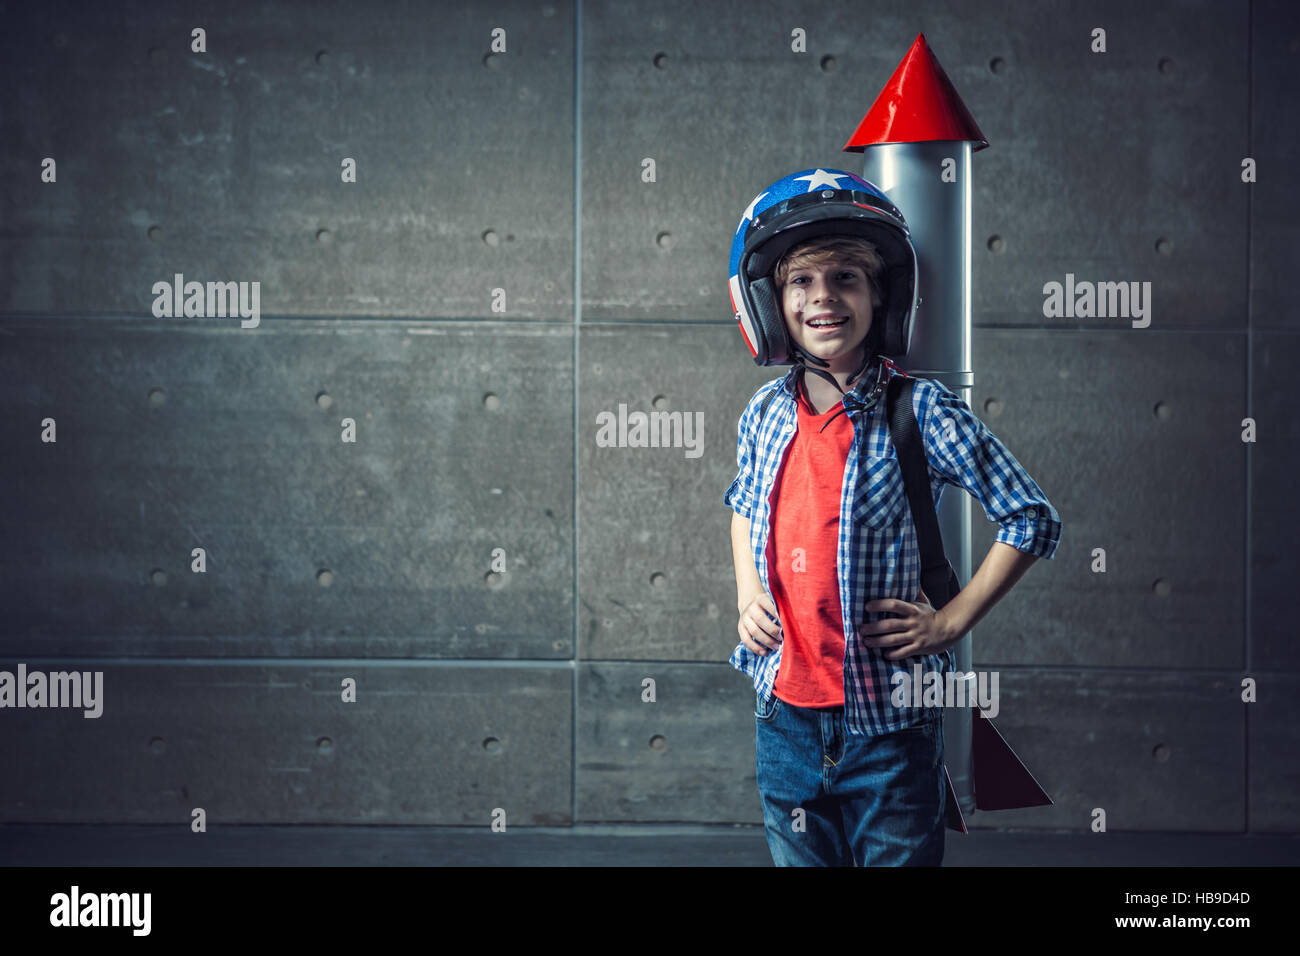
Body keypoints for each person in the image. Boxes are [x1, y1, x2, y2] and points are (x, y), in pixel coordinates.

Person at [724, 168, 1062, 865]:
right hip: (782, 721)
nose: (824, 298)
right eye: (801, 283)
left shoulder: (924, 412)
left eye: (846, 278)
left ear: (881, 295)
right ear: (771, 303)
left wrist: (950, 621)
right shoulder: (762, 414)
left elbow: (1032, 517)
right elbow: (743, 507)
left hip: (889, 727)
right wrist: (748, 592)